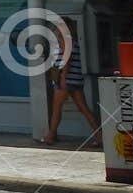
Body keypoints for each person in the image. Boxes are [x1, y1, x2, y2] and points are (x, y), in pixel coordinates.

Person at [39, 15, 96, 146]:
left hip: (66, 79)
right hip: (75, 79)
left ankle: (51, 135)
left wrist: (63, 77)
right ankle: (100, 136)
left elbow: (66, 59)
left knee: (56, 108)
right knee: (84, 108)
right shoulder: (71, 40)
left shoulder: (66, 40)